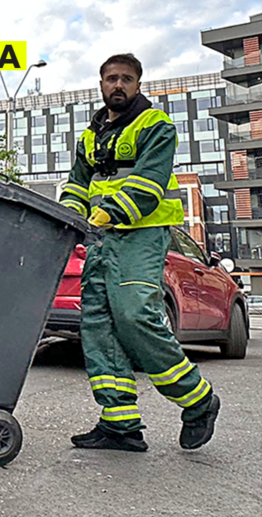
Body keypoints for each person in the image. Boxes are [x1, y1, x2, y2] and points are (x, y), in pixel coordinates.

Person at [59, 53, 220, 452]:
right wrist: (68, 216)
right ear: (101, 84)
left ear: (138, 85)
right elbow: (77, 185)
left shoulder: (155, 125)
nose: (118, 85)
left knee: (134, 315)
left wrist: (107, 214)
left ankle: (198, 399)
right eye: (111, 78)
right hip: (100, 239)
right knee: (98, 325)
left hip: (139, 235)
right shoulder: (90, 137)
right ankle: (120, 424)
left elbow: (148, 183)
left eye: (126, 79)